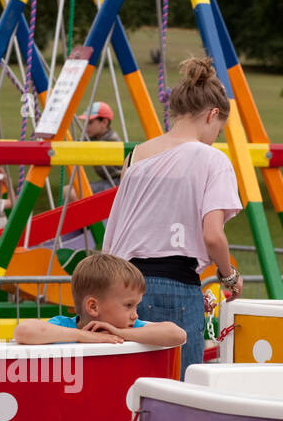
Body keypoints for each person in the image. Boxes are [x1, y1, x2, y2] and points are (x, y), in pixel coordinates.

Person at [102, 57, 244, 377]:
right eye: (217, 130)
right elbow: (212, 235)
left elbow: (120, 222)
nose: (215, 138)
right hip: (173, 286)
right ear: (212, 115)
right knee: (178, 388)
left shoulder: (137, 154)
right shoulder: (211, 159)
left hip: (121, 285)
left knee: (129, 383)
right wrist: (228, 275)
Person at [13, 253, 185, 348]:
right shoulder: (64, 325)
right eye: (128, 305)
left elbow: (177, 335)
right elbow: (24, 331)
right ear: (93, 306)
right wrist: (85, 336)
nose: (135, 314)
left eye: (136, 305)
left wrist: (120, 334)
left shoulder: (128, 328)